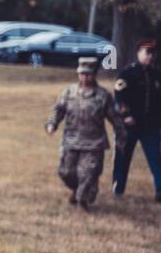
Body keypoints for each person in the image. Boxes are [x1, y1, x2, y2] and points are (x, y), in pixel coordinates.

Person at [46, 57, 124, 210]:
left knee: (87, 173)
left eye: (88, 74)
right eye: (82, 74)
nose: (85, 77)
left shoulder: (103, 95)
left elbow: (115, 117)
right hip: (71, 140)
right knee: (65, 172)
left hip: (94, 143)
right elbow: (58, 109)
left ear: (94, 75)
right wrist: (52, 124)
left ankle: (83, 199)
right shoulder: (69, 92)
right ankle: (79, 190)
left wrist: (121, 134)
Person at [111, 38, 161, 201]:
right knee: (122, 159)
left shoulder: (156, 75)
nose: (151, 56)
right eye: (148, 53)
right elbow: (119, 97)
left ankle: (160, 191)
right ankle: (118, 190)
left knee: (156, 159)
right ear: (139, 53)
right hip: (129, 126)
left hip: (151, 126)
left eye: (153, 53)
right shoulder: (128, 74)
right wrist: (126, 115)